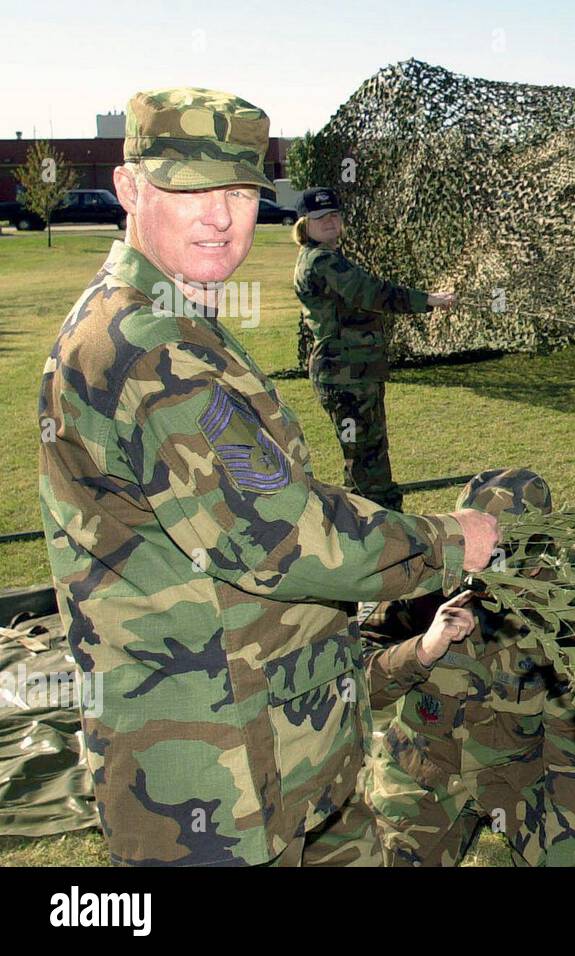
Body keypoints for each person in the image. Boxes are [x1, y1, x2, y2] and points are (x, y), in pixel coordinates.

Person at [35, 88, 499, 867]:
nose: (219, 215)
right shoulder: (149, 347)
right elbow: (283, 536)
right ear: (129, 190)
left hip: (275, 743)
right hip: (209, 785)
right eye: (189, 188)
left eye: (241, 191)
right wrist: (454, 541)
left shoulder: (176, 320)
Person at [361, 468, 575, 866]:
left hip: (522, 773)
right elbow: (353, 686)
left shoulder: (566, 614)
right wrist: (422, 650)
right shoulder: (423, 589)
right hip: (427, 766)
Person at [293, 187, 457, 512]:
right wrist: (427, 300)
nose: (329, 222)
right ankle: (386, 540)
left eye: (334, 216)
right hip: (346, 378)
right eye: (319, 218)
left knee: (364, 462)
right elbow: (371, 293)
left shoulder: (324, 258)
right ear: (304, 224)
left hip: (353, 374)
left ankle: (369, 536)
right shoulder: (322, 261)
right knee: (369, 469)